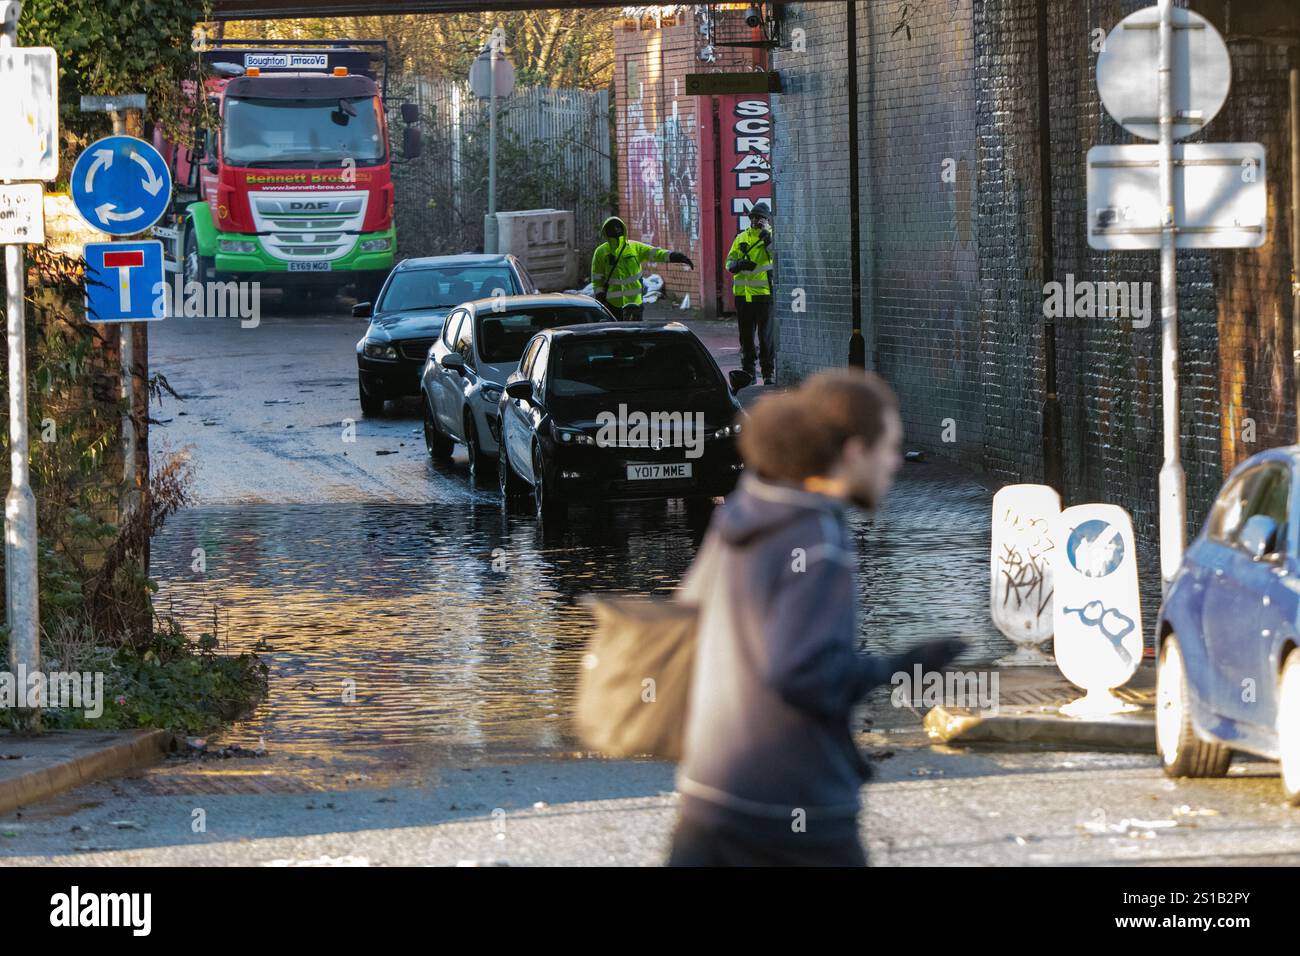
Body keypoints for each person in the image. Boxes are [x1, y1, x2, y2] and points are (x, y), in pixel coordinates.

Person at [668, 369, 964, 867]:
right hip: (794, 807)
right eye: (888, 448)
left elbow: (684, 622)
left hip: (707, 795)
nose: (894, 464)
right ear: (853, 451)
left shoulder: (743, 512)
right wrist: (899, 666)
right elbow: (800, 672)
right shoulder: (818, 541)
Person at [590, 216, 693, 321]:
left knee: (635, 333)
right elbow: (597, 278)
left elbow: (656, 253)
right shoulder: (601, 252)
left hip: (634, 303)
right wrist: (600, 298)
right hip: (612, 304)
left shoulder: (634, 247)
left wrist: (676, 256)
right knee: (617, 334)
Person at [725, 201, 775, 385]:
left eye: (760, 217)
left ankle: (768, 372)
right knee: (745, 338)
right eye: (753, 217)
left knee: (765, 337)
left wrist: (767, 240)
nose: (755, 220)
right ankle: (749, 373)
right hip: (742, 295)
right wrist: (737, 265)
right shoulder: (741, 238)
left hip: (763, 295)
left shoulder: (771, 236)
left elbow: (777, 257)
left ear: (767, 219)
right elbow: (729, 262)